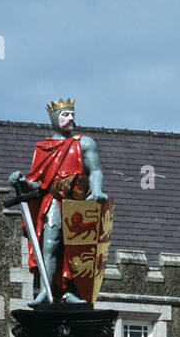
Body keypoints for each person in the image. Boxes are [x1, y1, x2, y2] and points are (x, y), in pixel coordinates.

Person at [9, 100, 108, 305]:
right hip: (54, 200)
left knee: (77, 248)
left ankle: (71, 291)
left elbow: (95, 170)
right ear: (54, 119)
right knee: (51, 244)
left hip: (79, 201)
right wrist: (22, 182)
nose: (70, 118)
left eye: (72, 114)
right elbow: (37, 182)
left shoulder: (84, 143)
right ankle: (47, 290)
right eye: (65, 115)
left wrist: (97, 190)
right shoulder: (43, 148)